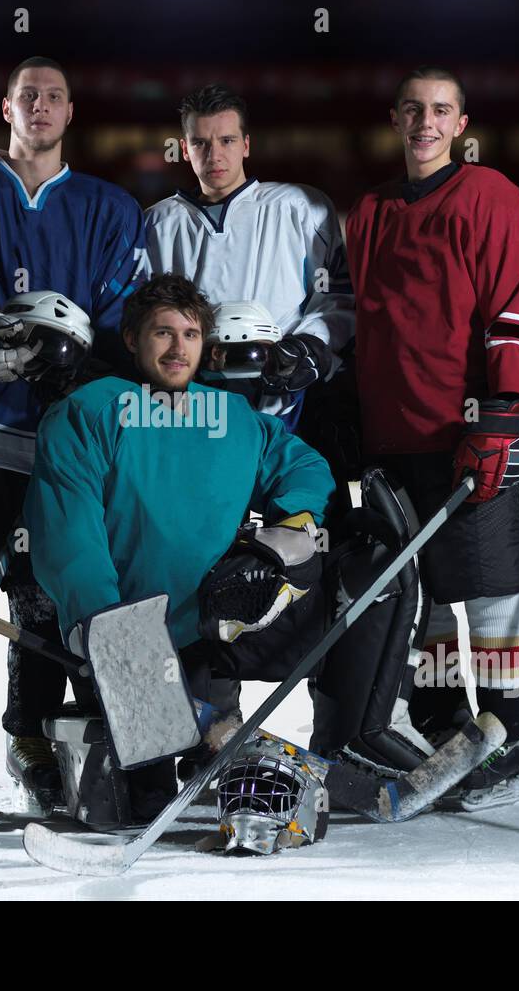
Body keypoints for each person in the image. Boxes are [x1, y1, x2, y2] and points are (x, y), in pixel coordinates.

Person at [23, 274, 430, 824]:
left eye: (190, 334)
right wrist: (108, 633)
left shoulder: (231, 416)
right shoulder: (89, 412)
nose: (177, 348)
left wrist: (291, 527)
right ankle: (173, 766)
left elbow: (305, 466)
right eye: (162, 333)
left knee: (371, 580)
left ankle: (356, 739)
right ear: (133, 341)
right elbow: (69, 534)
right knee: (145, 801)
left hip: (218, 620)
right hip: (127, 631)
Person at [0, 57, 149, 821]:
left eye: (53, 96)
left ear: (71, 111)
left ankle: (33, 736)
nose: (39, 106)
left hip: (60, 443)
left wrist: (80, 370)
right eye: (27, 95)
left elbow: (121, 319)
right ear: (5, 106)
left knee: (42, 601)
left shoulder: (111, 207)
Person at [344, 66, 519, 810]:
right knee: (420, 604)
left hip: (468, 434)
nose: (426, 122)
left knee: (494, 588)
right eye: (414, 110)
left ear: (461, 124)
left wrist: (507, 407)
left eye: (441, 111)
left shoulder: (488, 194)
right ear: (395, 118)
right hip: (394, 444)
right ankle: (446, 729)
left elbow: (512, 303)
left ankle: (507, 740)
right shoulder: (368, 211)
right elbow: (363, 324)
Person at [143, 84, 356, 766]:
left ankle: (341, 727)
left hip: (286, 427)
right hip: (197, 437)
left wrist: (313, 347)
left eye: (225, 139)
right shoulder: (158, 224)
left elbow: (339, 297)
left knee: (315, 573)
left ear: (247, 144)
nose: (213, 154)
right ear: (184, 147)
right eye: (199, 142)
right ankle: (214, 724)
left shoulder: (300, 209)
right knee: (207, 583)